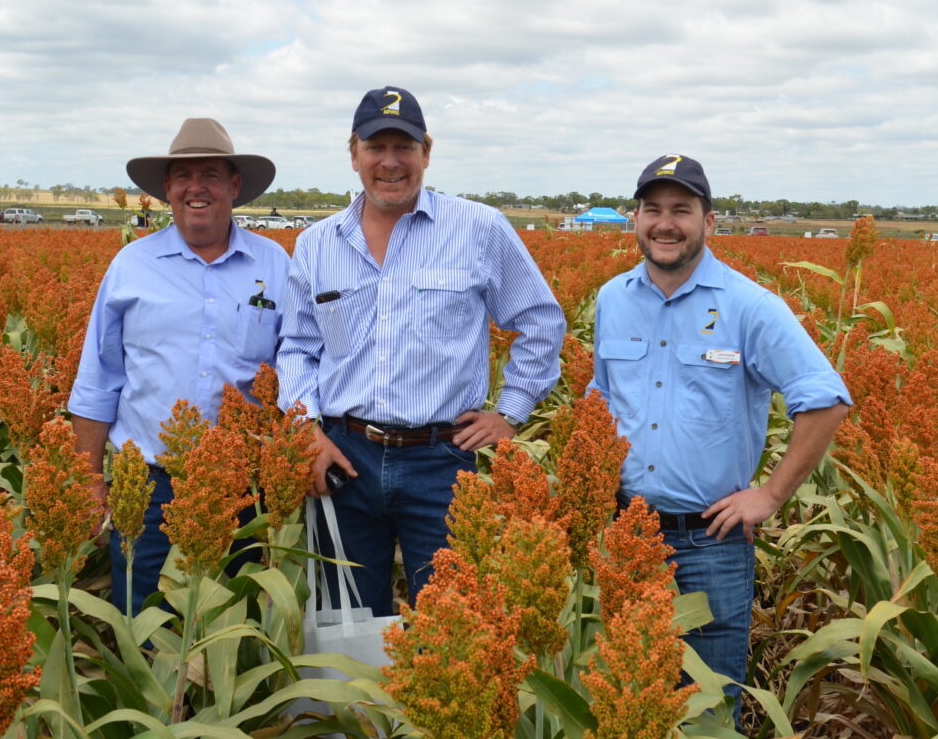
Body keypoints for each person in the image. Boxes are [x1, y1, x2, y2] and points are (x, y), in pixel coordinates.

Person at [277, 85, 565, 614]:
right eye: (375, 147)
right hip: (345, 457)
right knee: (350, 627)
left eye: (404, 147)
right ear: (354, 154)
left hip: (442, 458)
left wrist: (511, 413)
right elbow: (297, 345)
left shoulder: (478, 228)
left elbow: (541, 321)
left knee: (454, 629)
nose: (390, 162)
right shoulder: (317, 243)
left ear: (425, 153)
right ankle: (358, 704)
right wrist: (304, 429)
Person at [590, 153, 850, 715]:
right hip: (622, 531)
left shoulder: (750, 306)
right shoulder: (613, 298)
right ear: (635, 219)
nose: (666, 223)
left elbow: (825, 399)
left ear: (709, 222)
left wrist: (772, 494)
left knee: (707, 707)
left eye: (681, 210)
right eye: (653, 209)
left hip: (708, 542)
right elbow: (602, 397)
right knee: (626, 703)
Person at [68, 118, 288, 616]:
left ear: (234, 186)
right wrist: (89, 481)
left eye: (211, 174)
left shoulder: (274, 265)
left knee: (233, 631)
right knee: (144, 626)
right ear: (167, 188)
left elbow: (296, 371)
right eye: (183, 176)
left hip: (242, 487)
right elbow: (98, 380)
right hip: (147, 485)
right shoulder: (131, 265)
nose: (196, 187)